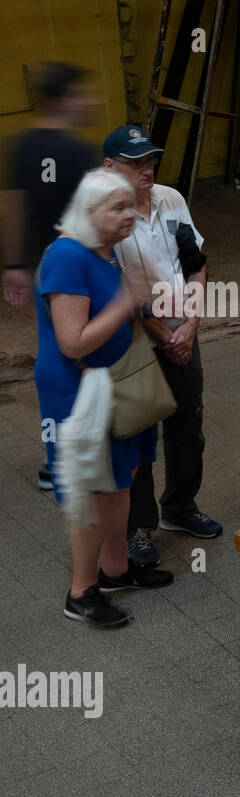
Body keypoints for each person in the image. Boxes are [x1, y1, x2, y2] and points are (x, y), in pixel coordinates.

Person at [35, 168, 175, 627]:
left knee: (123, 479)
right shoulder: (67, 258)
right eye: (117, 207)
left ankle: (115, 571)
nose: (129, 214)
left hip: (116, 384)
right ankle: (81, 591)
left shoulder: (103, 250)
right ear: (88, 211)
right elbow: (72, 342)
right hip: (79, 391)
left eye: (129, 204)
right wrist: (123, 305)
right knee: (99, 492)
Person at [101, 125, 221, 568]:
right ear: (109, 167)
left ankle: (179, 507)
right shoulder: (105, 215)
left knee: (188, 424)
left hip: (180, 329)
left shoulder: (172, 200)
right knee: (140, 437)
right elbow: (119, 292)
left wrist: (189, 325)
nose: (147, 169)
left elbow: (195, 265)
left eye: (150, 160)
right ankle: (138, 528)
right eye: (136, 162)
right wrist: (164, 335)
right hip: (134, 341)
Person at [1, 63, 99, 491]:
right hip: (74, 266)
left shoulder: (20, 146)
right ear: (64, 99)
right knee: (83, 357)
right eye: (82, 93)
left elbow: (14, 208)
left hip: (43, 270)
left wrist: (14, 266)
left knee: (52, 361)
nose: (89, 101)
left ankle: (54, 457)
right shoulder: (77, 152)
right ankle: (82, 457)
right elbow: (95, 217)